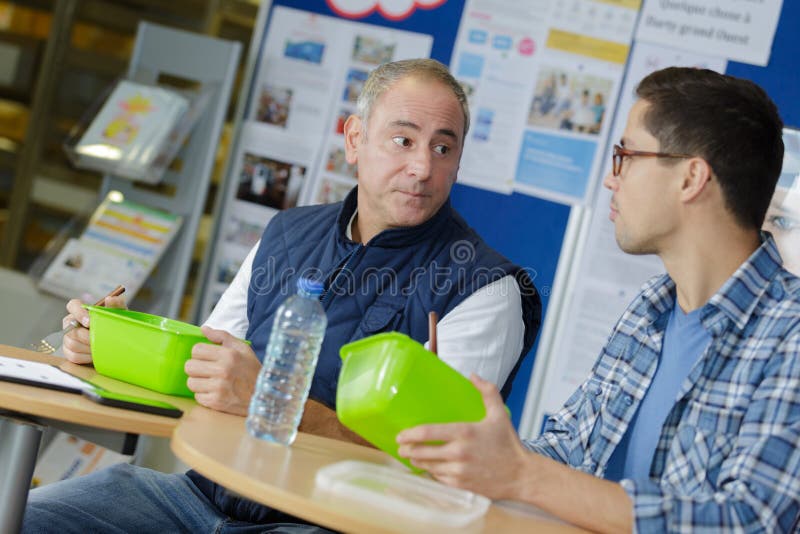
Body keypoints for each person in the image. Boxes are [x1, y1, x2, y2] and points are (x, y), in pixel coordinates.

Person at [23, 58, 541, 532]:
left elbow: (436, 470)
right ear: (355, 139)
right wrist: (111, 342)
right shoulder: (288, 233)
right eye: (403, 141)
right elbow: (203, 360)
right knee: (26, 518)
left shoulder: (484, 289)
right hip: (198, 497)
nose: (423, 167)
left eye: (443, 148)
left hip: (326, 524)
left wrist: (272, 402)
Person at [398, 67, 800, 533]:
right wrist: (473, 446)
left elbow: (747, 522)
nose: (611, 181)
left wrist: (521, 474)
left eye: (625, 156)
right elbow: (570, 451)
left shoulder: (789, 335)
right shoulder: (650, 308)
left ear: (691, 178)